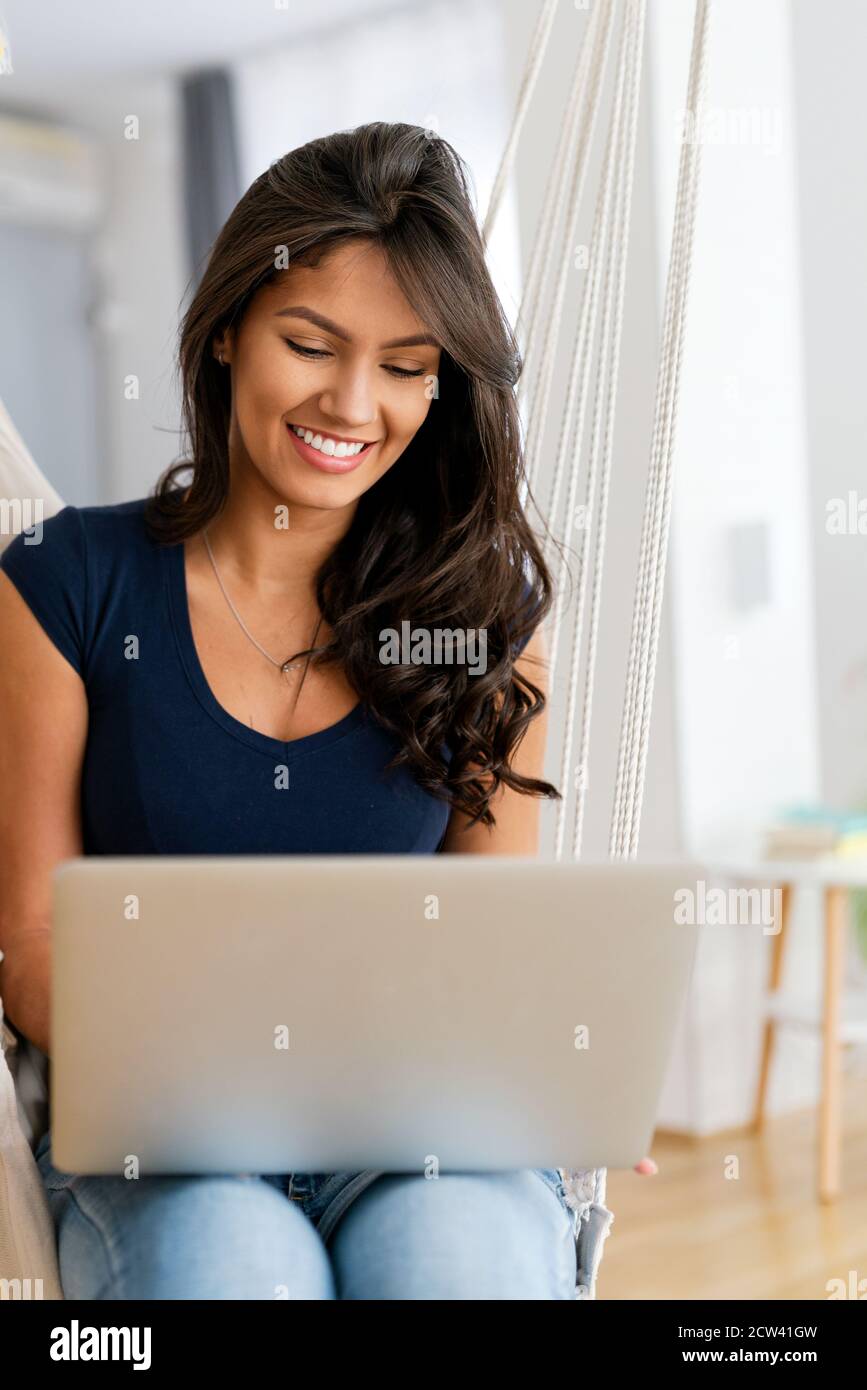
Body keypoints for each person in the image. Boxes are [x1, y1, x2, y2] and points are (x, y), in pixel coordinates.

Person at [0, 121, 653, 1300]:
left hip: (422, 1129)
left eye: (407, 366)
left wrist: (559, 1060)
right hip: (169, 1143)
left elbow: (493, 939)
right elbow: (34, 947)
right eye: (312, 342)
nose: (354, 404)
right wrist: (203, 1058)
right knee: (232, 1265)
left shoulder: (487, 625)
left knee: (460, 1261)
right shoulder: (64, 585)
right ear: (229, 334)